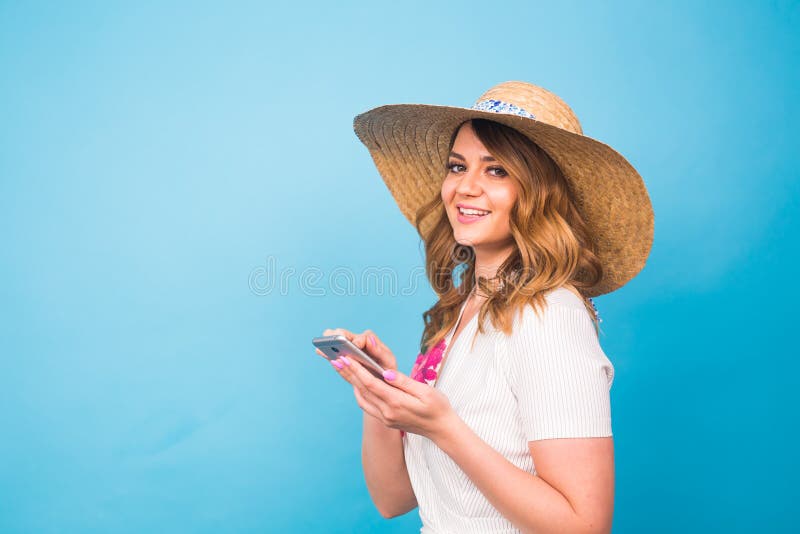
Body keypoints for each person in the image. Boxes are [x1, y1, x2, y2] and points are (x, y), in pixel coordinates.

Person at [315, 81, 653, 533]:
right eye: (458, 166)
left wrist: (445, 429)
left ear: (540, 191)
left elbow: (585, 525)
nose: (465, 187)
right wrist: (381, 397)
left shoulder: (550, 315)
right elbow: (393, 499)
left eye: (497, 171)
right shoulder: (461, 313)